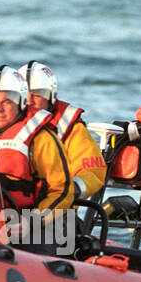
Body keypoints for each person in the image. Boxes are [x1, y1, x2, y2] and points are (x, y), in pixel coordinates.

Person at [0, 66, 75, 248]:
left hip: (33, 222)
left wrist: (32, 221)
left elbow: (62, 191)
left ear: (20, 102)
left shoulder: (41, 139)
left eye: (7, 102)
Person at [18, 61, 107, 202]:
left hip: (56, 210)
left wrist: (70, 190)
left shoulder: (70, 127)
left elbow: (93, 173)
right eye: (24, 94)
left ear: (51, 97)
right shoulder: (3, 122)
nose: (29, 101)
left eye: (36, 95)